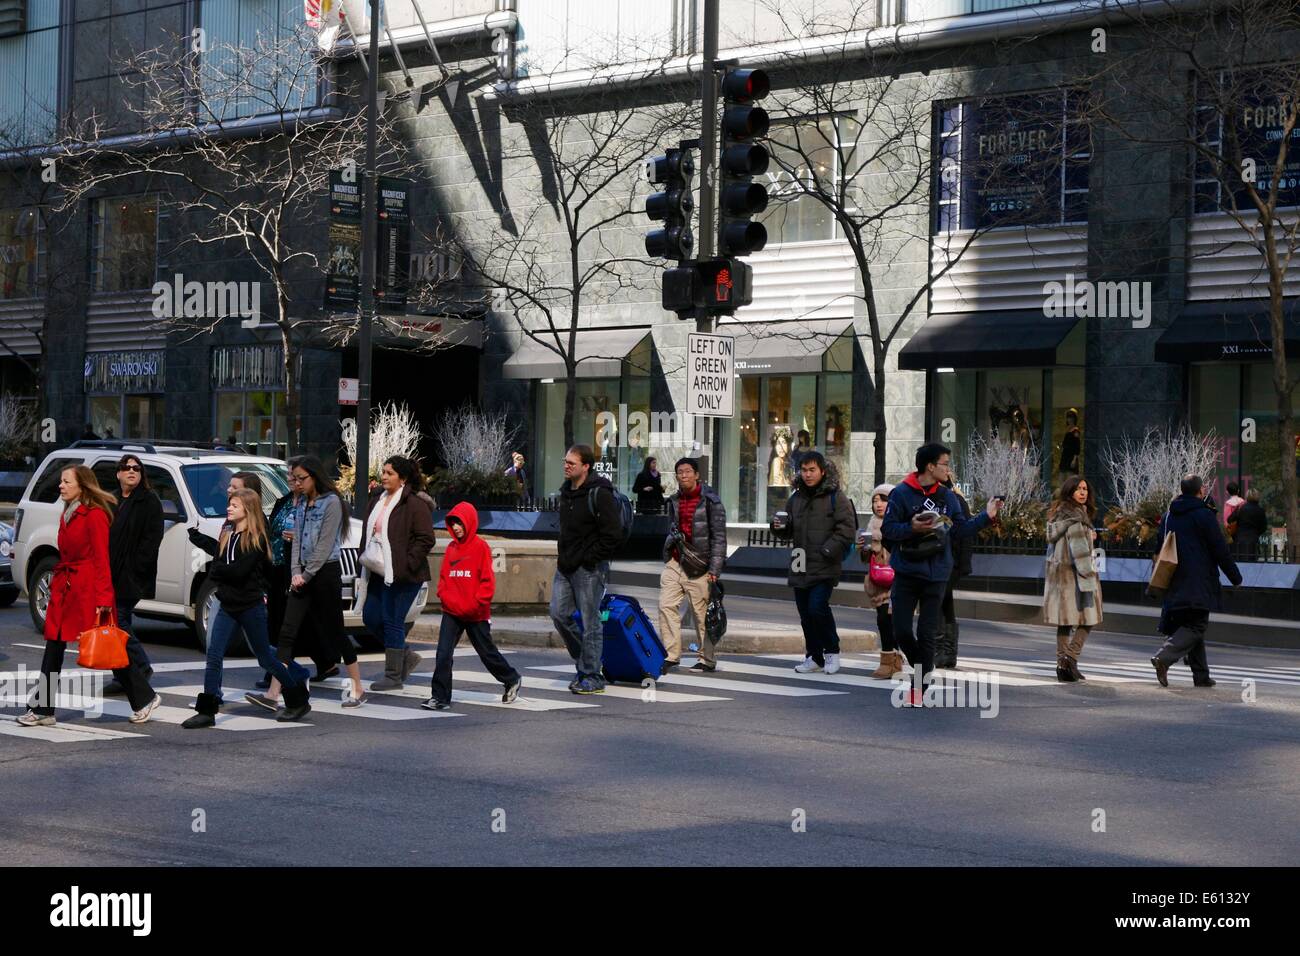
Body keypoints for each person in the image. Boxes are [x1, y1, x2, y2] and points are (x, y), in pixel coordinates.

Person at [18, 466, 161, 727]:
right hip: (67, 588)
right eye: (61, 481)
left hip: (87, 591)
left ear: (81, 485)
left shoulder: (94, 515)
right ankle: (43, 708)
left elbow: (101, 559)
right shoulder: (68, 512)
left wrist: (104, 599)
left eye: (66, 482)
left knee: (107, 648)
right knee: (54, 645)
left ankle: (145, 698)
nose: (60, 486)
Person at [882, 443, 999, 707]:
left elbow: (959, 530)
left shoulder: (948, 497)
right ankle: (923, 666)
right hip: (908, 571)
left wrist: (986, 516)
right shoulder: (901, 493)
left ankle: (918, 687)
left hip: (937, 573)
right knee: (900, 630)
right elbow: (889, 529)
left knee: (927, 632)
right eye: (945, 463)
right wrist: (911, 527)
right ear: (930, 466)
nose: (948, 468)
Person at [183, 489, 311, 727]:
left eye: (235, 505)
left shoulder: (257, 539)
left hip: (250, 606)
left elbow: (236, 572)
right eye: (229, 504)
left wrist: (222, 570)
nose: (229, 508)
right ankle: (207, 711)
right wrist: (221, 569)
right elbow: (219, 569)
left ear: (247, 510)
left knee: (265, 657)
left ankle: (297, 699)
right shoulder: (227, 535)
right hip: (227, 604)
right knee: (213, 655)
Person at [247, 456, 365, 710]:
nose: (296, 483)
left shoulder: (332, 502)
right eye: (294, 478)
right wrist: (295, 573)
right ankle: (273, 694)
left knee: (335, 632)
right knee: (287, 633)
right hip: (302, 575)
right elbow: (296, 541)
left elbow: (324, 546)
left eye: (301, 478)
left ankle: (357, 685)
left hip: (325, 574)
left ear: (315, 476)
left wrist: (306, 574)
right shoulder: (299, 503)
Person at [423, 502, 521, 710]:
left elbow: (487, 581)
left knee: (487, 653)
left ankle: (511, 678)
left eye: (459, 522)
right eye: (453, 523)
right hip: (452, 611)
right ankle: (440, 697)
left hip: (475, 613)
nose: (456, 527)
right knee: (443, 654)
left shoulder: (480, 547)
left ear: (469, 522)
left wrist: (476, 603)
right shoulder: (450, 548)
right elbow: (443, 579)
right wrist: (445, 596)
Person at [1151, 474, 1242, 688]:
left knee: (1190, 623)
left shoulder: (1168, 515)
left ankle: (1201, 675)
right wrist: (1235, 577)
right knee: (1197, 625)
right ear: (1200, 491)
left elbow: (1158, 547)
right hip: (1199, 579)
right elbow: (1220, 549)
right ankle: (1164, 657)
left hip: (1174, 579)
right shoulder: (1204, 515)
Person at [770, 451, 856, 675]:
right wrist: (778, 526)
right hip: (800, 563)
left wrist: (828, 550)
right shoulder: (796, 498)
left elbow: (847, 530)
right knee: (805, 614)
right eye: (804, 470)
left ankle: (832, 652)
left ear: (822, 471)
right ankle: (814, 655)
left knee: (818, 608)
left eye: (812, 470)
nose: (807, 475)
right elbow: (787, 530)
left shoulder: (836, 497)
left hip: (825, 563)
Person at [549, 443, 623, 695]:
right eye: (565, 461)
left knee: (592, 623)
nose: (566, 466)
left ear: (586, 466)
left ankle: (592, 675)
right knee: (558, 614)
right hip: (565, 566)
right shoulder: (566, 492)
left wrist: (591, 558)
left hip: (589, 569)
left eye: (571, 463)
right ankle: (587, 663)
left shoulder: (599, 492)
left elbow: (613, 534)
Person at [363, 456, 436, 691]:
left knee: (392, 620)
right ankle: (404, 654)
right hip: (377, 570)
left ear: (402, 479)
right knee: (370, 617)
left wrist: (406, 564)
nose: (384, 476)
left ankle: (393, 675)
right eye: (383, 472)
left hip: (404, 574)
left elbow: (426, 539)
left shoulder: (415, 504)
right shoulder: (377, 499)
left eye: (390, 473)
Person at [657, 457, 727, 673]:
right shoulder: (674, 500)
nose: (683, 475)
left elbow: (719, 537)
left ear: (697, 475)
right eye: (680, 472)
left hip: (701, 564)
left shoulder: (711, 502)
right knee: (665, 605)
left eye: (688, 471)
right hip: (676, 561)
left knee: (701, 615)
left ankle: (706, 659)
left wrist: (714, 569)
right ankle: (671, 655)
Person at [104, 454, 163, 697]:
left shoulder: (148, 501)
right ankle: (121, 674)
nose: (131, 472)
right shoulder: (112, 499)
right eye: (126, 468)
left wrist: (138, 567)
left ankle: (140, 666)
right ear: (118, 473)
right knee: (110, 622)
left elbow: (153, 539)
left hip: (131, 574)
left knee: (120, 621)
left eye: (136, 469)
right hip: (109, 571)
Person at [1042, 475, 1102, 682]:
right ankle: (1070, 657)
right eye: (1078, 489)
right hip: (1075, 576)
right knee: (1089, 618)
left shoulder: (1060, 515)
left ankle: (1063, 665)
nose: (1083, 492)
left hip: (1060, 577)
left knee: (1065, 622)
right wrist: (1089, 575)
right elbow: (1079, 552)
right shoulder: (1076, 518)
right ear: (1070, 492)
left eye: (1085, 489)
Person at [862, 483, 903, 680]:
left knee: (890, 621)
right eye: (874, 500)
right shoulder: (870, 526)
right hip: (878, 581)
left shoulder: (899, 523)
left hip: (899, 580)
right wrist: (864, 547)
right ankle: (891, 659)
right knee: (883, 620)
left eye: (883, 499)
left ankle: (891, 660)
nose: (878, 504)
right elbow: (865, 559)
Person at [935, 474, 973, 669]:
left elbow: (965, 535)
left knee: (939, 601)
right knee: (945, 603)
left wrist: (961, 564)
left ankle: (941, 650)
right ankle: (946, 653)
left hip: (951, 562)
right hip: (947, 561)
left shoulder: (954, 500)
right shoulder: (947, 499)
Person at [1227, 488, 1268, 561]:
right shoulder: (1260, 510)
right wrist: (1256, 532)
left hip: (1240, 540)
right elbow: (1264, 527)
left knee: (1240, 565)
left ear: (1247, 497)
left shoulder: (1241, 508)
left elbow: (1229, 519)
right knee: (1252, 565)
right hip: (1253, 541)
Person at [1058, 408, 1081, 477]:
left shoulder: (1075, 431)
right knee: (1061, 475)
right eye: (1068, 417)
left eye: (1071, 417)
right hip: (1065, 455)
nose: (1069, 419)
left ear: (1074, 418)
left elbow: (1077, 446)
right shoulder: (1068, 430)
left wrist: (1074, 459)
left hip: (1071, 457)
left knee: (1070, 477)